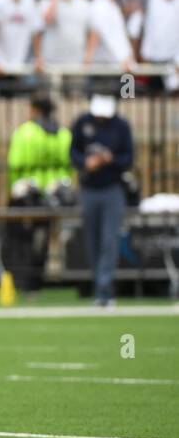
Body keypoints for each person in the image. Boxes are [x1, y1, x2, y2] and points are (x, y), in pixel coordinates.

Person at [70, 87, 133, 308]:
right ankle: (99, 287)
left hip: (112, 189)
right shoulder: (82, 123)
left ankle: (106, 290)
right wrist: (85, 162)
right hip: (88, 189)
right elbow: (73, 153)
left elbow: (128, 158)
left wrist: (109, 159)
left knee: (109, 240)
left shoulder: (121, 126)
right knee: (93, 240)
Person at [5, 91, 73, 296]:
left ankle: (19, 279)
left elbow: (14, 163)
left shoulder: (25, 132)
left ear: (34, 109)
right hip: (51, 195)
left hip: (25, 195)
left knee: (19, 238)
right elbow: (69, 166)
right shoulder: (63, 134)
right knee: (42, 239)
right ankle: (36, 282)